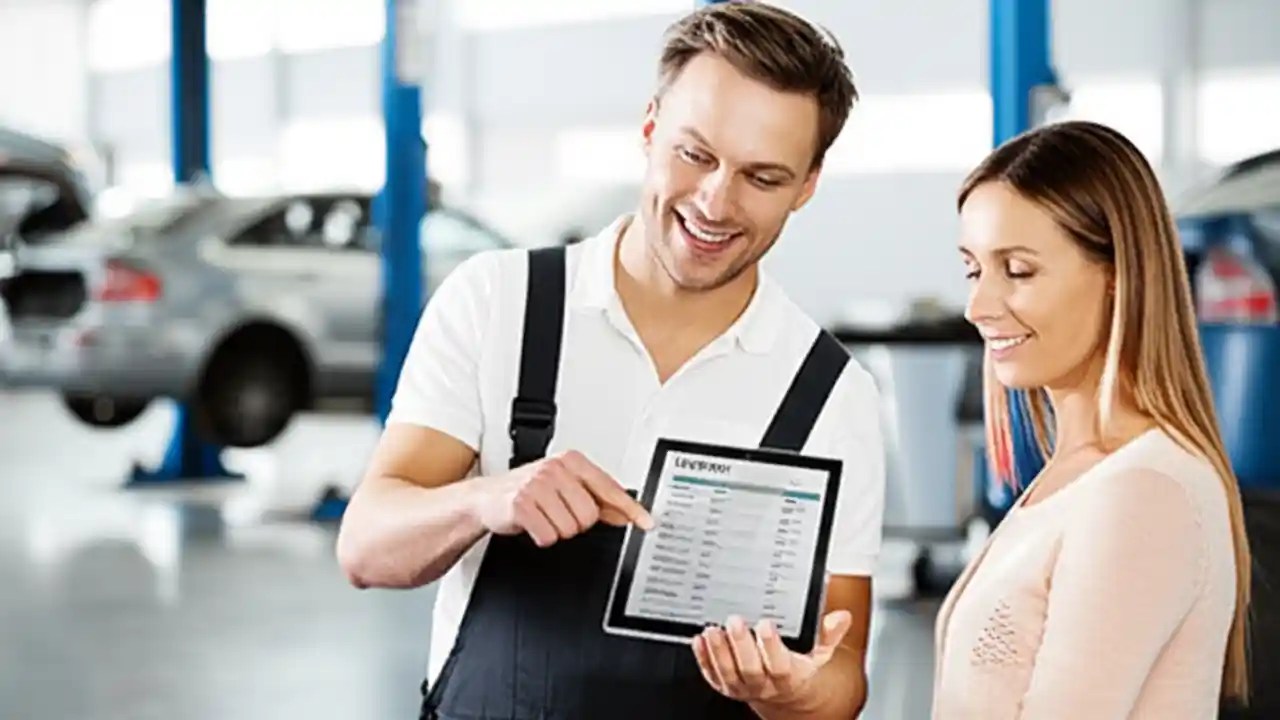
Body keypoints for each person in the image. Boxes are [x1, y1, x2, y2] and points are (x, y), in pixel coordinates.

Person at [336, 4, 886, 720]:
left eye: (763, 176)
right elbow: (366, 549)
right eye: (696, 154)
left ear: (808, 184)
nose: (716, 201)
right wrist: (483, 500)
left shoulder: (830, 394)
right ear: (651, 127)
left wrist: (798, 691)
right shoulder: (499, 301)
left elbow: (842, 674)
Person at [932, 120, 1253, 718]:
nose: (978, 307)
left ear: (1116, 277)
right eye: (974, 270)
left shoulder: (1143, 491)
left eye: (1019, 271)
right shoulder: (1076, 477)